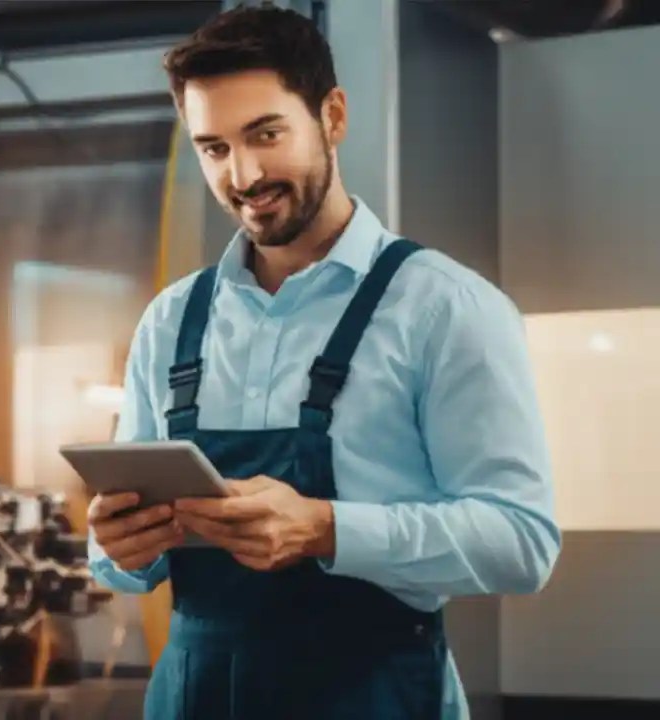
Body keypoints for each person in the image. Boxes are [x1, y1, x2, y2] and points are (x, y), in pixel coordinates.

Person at [85, 6, 561, 720]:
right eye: (213, 148)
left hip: (374, 693)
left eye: (266, 134)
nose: (242, 175)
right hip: (194, 694)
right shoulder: (171, 320)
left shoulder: (446, 307)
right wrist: (119, 545)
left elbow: (521, 543)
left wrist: (326, 528)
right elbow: (123, 558)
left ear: (332, 117)